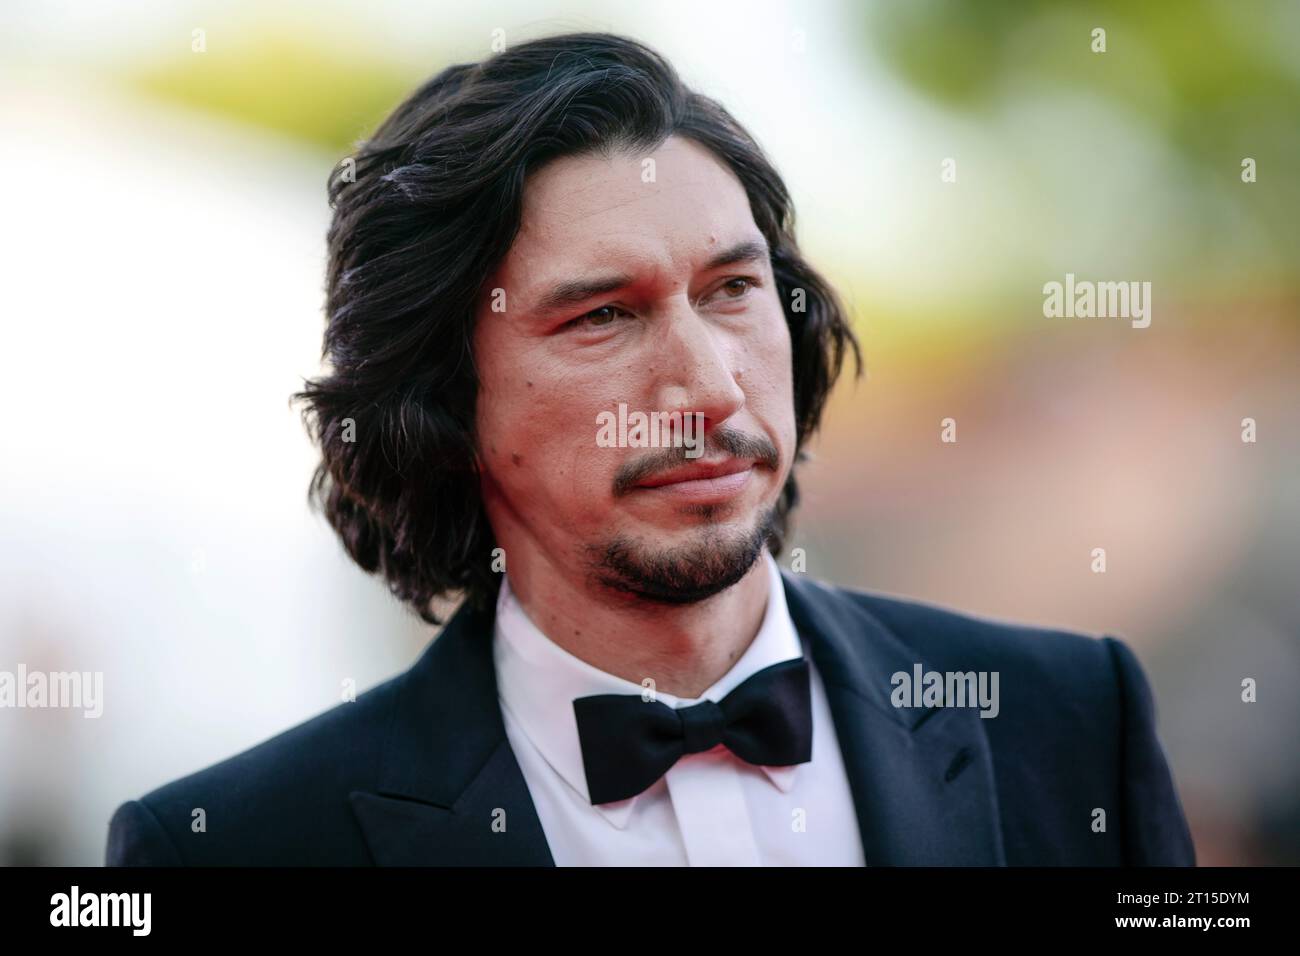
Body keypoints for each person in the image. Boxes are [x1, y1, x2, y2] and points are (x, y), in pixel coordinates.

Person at [106, 31, 1195, 866]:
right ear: (439, 398)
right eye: (601, 316)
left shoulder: (1070, 717)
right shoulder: (234, 845)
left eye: (731, 290)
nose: (707, 384)